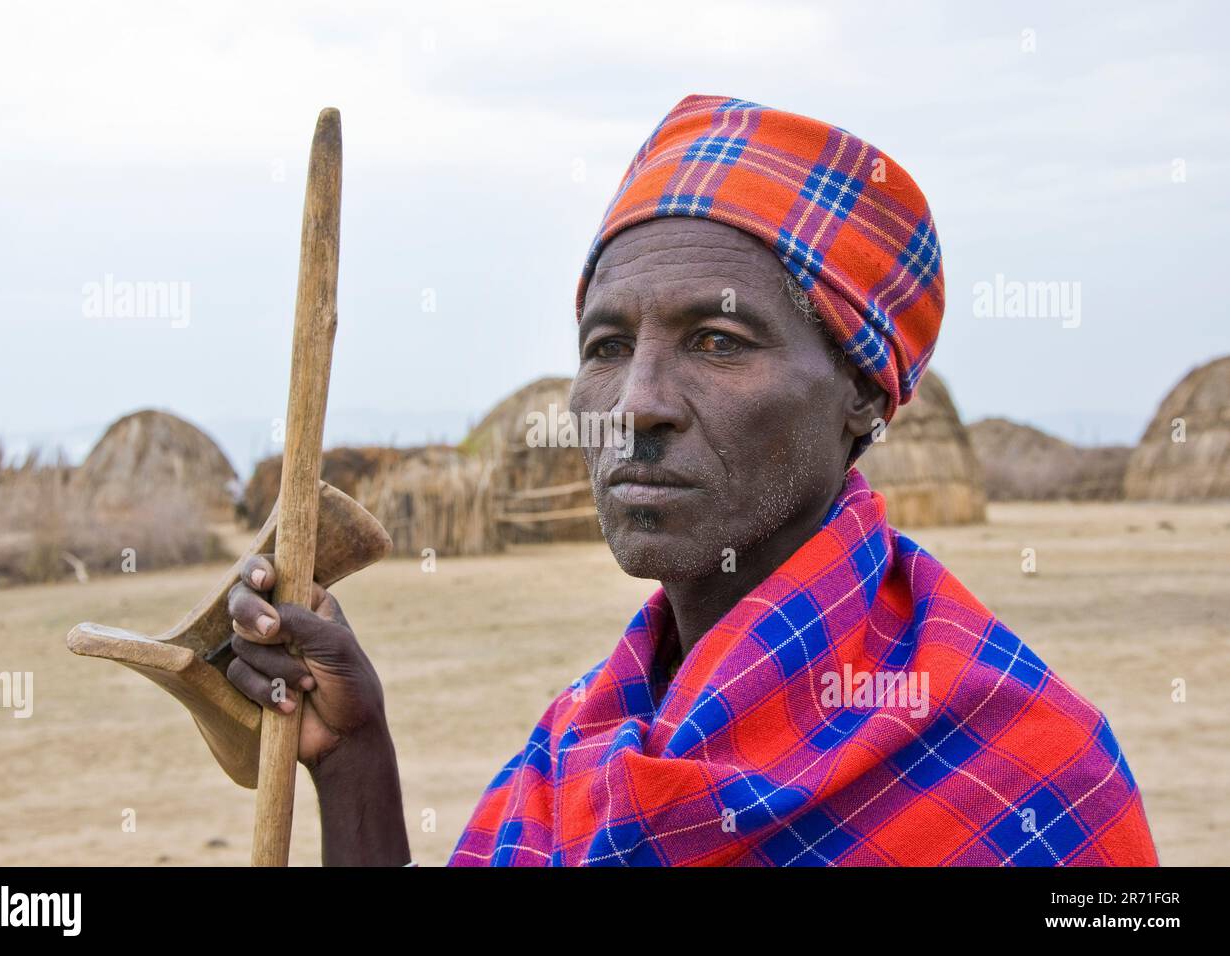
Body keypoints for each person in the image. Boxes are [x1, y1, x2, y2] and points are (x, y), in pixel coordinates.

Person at [225, 95, 1158, 866]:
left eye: (719, 341)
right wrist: (353, 761)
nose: (634, 405)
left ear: (863, 395)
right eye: (608, 345)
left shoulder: (1023, 770)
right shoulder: (574, 751)